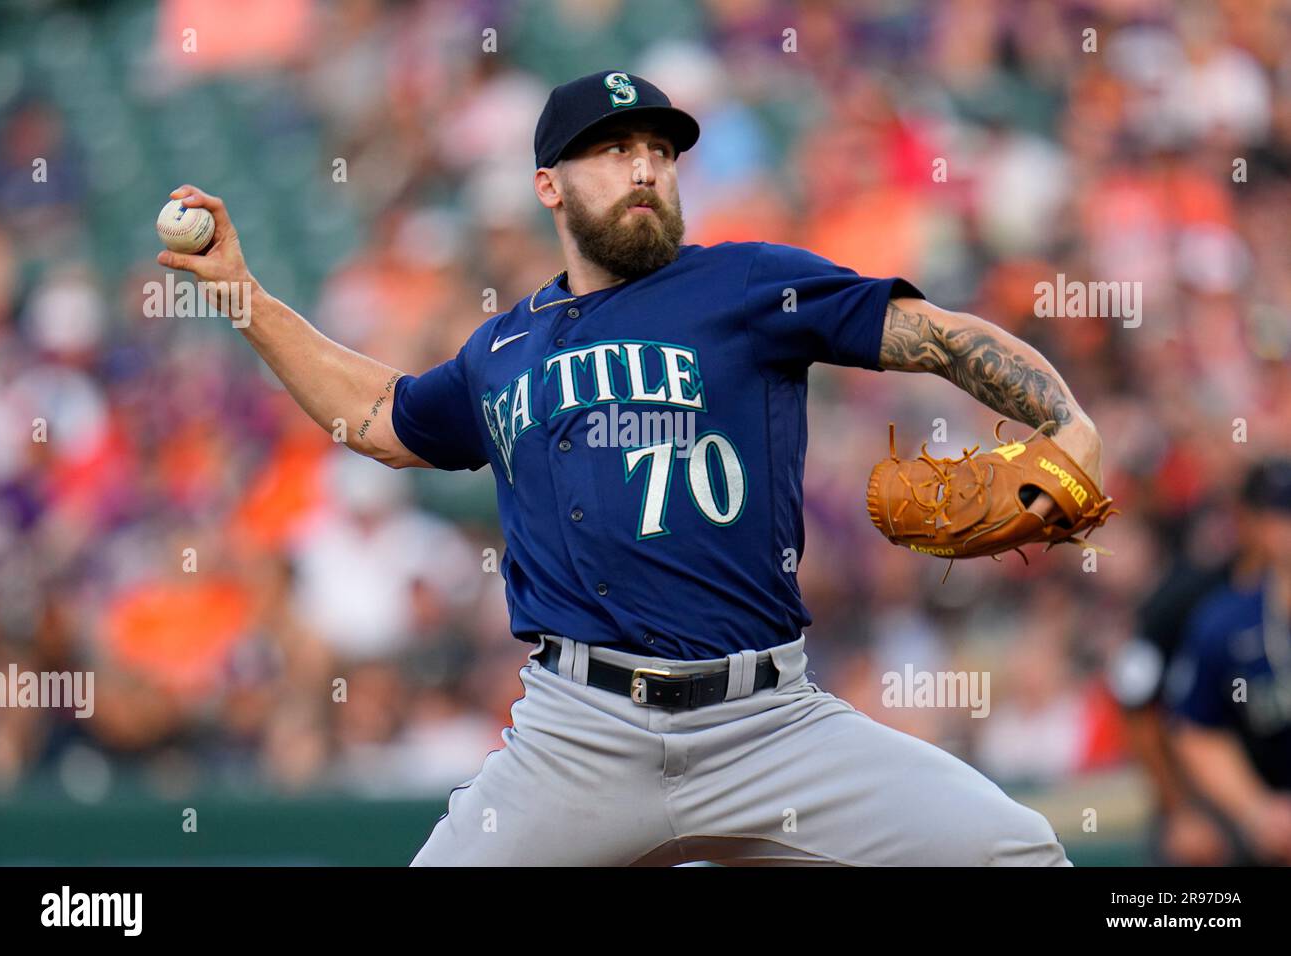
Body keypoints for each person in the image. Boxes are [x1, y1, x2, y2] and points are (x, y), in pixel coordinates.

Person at [158, 70, 1104, 866]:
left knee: (1013, 855)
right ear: (550, 186)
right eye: (615, 151)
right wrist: (244, 296)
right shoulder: (504, 350)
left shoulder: (744, 283)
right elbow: (377, 415)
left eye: (660, 150)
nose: (646, 167)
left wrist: (1068, 423)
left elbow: (934, 337)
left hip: (767, 724)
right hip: (578, 736)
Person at [1164, 458, 1291, 866]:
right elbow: (1196, 726)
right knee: (1194, 843)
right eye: (1279, 516)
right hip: (1266, 811)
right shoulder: (1225, 621)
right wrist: (1257, 811)